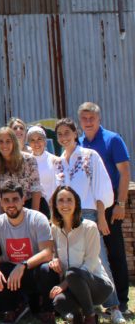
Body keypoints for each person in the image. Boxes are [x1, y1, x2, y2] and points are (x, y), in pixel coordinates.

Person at [54, 117, 119, 320]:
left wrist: (101, 215)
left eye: (67, 132)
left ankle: (114, 307)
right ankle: (83, 305)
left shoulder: (90, 156)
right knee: (71, 261)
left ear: (75, 133)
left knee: (99, 261)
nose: (64, 137)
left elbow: (101, 186)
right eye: (59, 134)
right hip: (65, 217)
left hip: (88, 214)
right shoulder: (58, 162)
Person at [0, 181, 56, 323]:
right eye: (6, 200)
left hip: (32, 270)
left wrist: (23, 265)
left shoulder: (37, 218)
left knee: (47, 270)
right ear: (1, 202)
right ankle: (12, 307)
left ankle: (47, 310)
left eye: (15, 199)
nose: (11, 204)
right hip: (10, 273)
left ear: (23, 200)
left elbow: (47, 252)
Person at [77, 102, 130, 321]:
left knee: (115, 252)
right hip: (86, 205)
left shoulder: (112, 139)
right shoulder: (77, 142)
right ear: (80, 121)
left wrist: (120, 203)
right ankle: (98, 299)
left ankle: (122, 301)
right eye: (84, 118)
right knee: (90, 255)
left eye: (92, 118)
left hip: (109, 203)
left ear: (99, 119)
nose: (88, 122)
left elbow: (125, 173)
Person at [48, 186, 115, 324]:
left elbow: (90, 262)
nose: (65, 204)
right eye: (60, 200)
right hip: (73, 287)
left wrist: (64, 283)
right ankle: (78, 317)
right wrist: (54, 260)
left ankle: (90, 317)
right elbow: (55, 253)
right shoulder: (54, 228)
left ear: (76, 203)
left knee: (72, 274)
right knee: (58, 301)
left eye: (69, 200)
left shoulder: (90, 227)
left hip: (98, 285)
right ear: (55, 205)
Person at [0, 126, 45, 216]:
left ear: (14, 142)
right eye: (1, 142)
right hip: (10, 210)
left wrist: (33, 216)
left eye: (8, 141)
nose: (4, 145)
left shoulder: (29, 160)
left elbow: (36, 189)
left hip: (32, 206)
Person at [27, 126, 59, 213]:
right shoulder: (26, 161)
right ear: (29, 143)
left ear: (45, 141)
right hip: (34, 208)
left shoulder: (54, 160)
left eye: (39, 139)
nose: (36, 143)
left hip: (53, 206)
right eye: (32, 140)